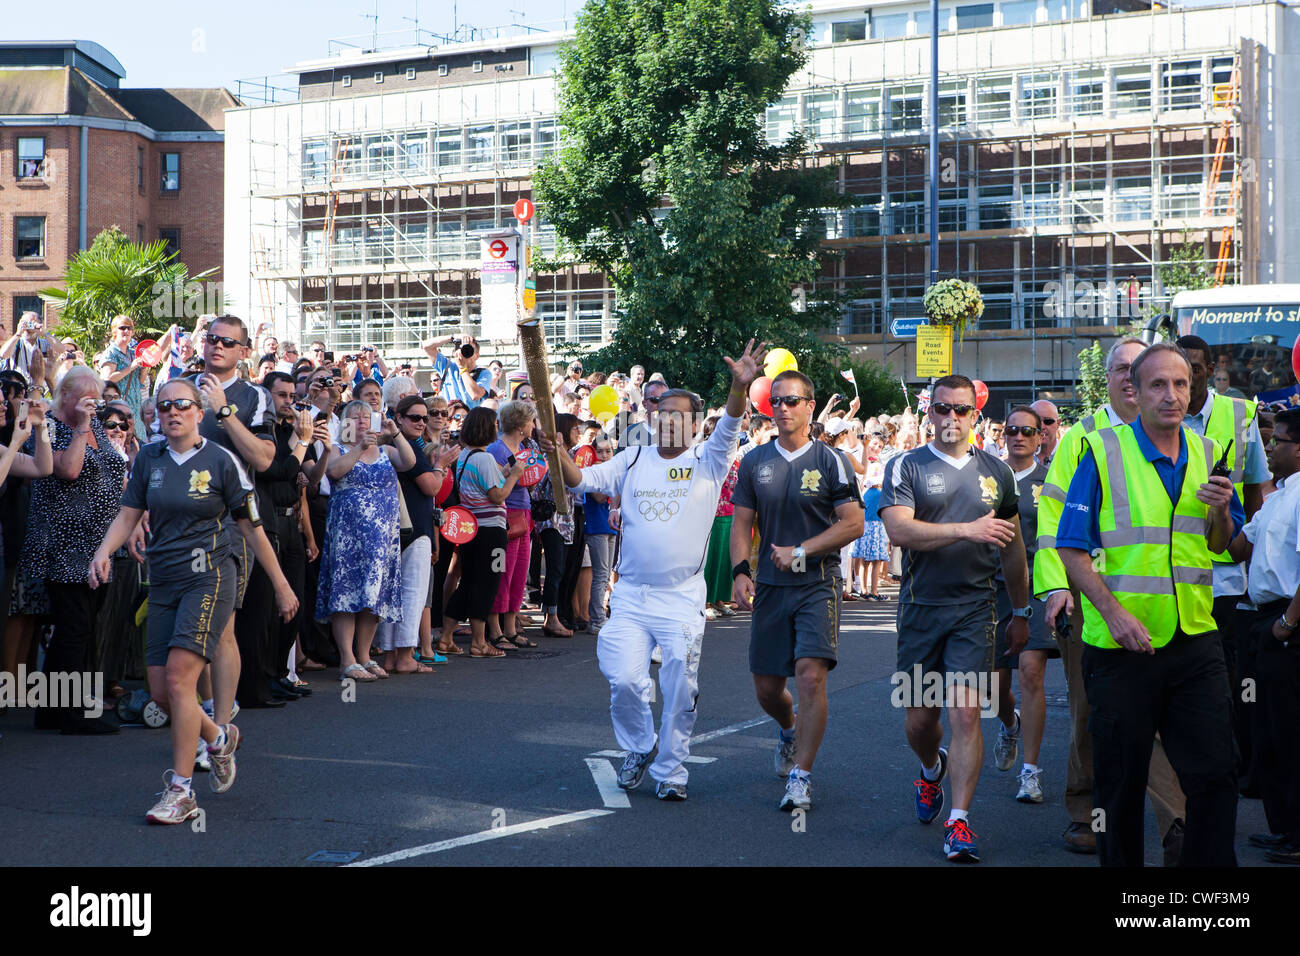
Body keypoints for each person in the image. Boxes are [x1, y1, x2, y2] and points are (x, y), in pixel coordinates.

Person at [547, 341, 764, 802]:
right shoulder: (632, 458)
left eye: (676, 413)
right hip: (631, 597)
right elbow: (580, 481)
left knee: (680, 686)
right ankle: (640, 746)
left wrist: (738, 386)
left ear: (692, 423)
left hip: (682, 598)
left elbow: (728, 423)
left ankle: (672, 771)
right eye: (660, 410)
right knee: (624, 678)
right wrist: (556, 451)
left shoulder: (708, 460)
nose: (666, 418)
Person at [1057, 342, 1242, 867]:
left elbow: (1218, 543)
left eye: (1181, 384)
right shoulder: (1101, 451)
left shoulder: (1207, 452)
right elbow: (1069, 548)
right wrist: (1114, 614)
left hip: (1194, 638)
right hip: (1122, 649)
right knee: (1119, 786)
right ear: (1133, 392)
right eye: (1158, 384)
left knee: (1214, 773)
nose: (1172, 395)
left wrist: (1224, 513)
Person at [89, 377, 298, 823]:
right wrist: (103, 552)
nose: (173, 412)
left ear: (199, 412)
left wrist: (281, 584)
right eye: (165, 406)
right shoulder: (149, 457)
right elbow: (129, 512)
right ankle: (219, 740)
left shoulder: (222, 460)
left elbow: (251, 527)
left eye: (182, 404)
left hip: (210, 578)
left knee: (182, 681)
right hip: (162, 580)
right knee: (164, 693)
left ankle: (181, 792)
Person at [1035, 336, 1188, 858]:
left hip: (1167, 609)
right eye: (1121, 369)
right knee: (1089, 715)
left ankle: (1176, 823)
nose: (1129, 378)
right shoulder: (1083, 438)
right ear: (1109, 380)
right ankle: (1084, 812)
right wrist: (1057, 586)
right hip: (1092, 606)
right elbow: (1053, 522)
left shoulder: (1179, 437)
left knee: (1161, 725)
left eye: (1136, 368)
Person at [878, 374, 1031, 863]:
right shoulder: (905, 465)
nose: (951, 419)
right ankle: (930, 770)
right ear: (930, 413)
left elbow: (1012, 548)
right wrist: (968, 529)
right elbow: (900, 531)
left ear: (975, 415)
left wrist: (1022, 609)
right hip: (921, 610)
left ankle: (959, 822)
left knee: (966, 712)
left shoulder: (998, 473)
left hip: (976, 610)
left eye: (960, 410)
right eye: (942, 409)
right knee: (921, 722)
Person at [731, 369, 865, 813]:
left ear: (811, 406)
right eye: (777, 401)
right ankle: (788, 730)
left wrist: (801, 551)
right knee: (768, 689)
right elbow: (743, 523)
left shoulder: (832, 461)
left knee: (809, 675)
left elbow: (853, 523)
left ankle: (801, 776)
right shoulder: (754, 461)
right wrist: (739, 571)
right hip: (770, 586)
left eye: (793, 401)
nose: (784, 408)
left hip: (817, 583)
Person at [1177, 333, 1268, 793]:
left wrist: (1255, 559)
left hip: (1225, 578)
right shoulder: (1157, 415)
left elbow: (1256, 495)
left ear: (1211, 369)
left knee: (1227, 683)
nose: (1188, 376)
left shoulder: (1239, 414)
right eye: (1181, 365)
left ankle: (1226, 768)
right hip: (1169, 581)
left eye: (1196, 366)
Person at [23, 366, 127, 734]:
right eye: (84, 398)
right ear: (64, 395)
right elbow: (67, 470)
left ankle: (52, 710)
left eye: (95, 399)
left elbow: (114, 470)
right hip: (64, 546)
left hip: (97, 544)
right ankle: (67, 713)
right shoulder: (49, 426)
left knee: (82, 627)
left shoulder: (95, 424)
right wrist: (83, 425)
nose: (92, 405)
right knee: (74, 628)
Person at [1229, 408, 1300, 862]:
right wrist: (1218, 507)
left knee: (1292, 732)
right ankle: (1285, 829)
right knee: (1270, 731)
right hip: (1264, 622)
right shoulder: (1277, 498)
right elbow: (1236, 546)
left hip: (1287, 624)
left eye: (1279, 441)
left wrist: (1287, 624)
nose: (1269, 448)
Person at [317, 399, 416, 680]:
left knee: (374, 595)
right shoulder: (339, 448)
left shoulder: (384, 449)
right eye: (356, 417)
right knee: (346, 594)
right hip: (349, 536)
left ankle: (364, 655)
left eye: (366, 416)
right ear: (345, 422)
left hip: (382, 537)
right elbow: (334, 472)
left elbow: (409, 462)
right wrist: (360, 447)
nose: (362, 421)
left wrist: (394, 432)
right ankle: (347, 658)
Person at [989, 406, 1058, 804]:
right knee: (994, 687)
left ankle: (1030, 772)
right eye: (1011, 430)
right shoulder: (986, 476)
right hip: (989, 586)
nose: (1019, 437)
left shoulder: (1049, 481)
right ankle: (1009, 724)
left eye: (1028, 431)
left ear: (1040, 437)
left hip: (1034, 583)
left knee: (1031, 671)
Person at [438, 406, 528, 658]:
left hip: (471, 530)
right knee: (488, 583)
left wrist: (505, 475)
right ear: (487, 428)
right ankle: (479, 642)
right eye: (495, 425)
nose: (498, 429)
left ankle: (446, 637)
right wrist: (514, 476)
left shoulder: (466, 456)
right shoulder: (484, 458)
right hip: (491, 532)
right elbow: (497, 495)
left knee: (468, 583)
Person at [376, 395, 443, 674]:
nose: (421, 422)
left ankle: (394, 656)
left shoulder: (403, 443)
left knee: (395, 593)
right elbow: (431, 487)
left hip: (404, 524)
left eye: (424, 418)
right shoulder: (402, 445)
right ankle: (404, 656)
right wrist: (440, 465)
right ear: (399, 417)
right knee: (410, 593)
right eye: (415, 417)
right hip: (410, 526)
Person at [486, 399, 538, 650]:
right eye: (530, 421)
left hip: (524, 512)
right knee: (502, 573)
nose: (533, 425)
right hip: (505, 514)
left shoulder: (525, 448)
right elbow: (492, 486)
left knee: (519, 574)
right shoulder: (496, 450)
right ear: (520, 425)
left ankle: (510, 627)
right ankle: (495, 630)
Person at [583, 434, 618, 634]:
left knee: (606, 575)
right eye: (600, 451)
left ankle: (599, 615)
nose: (604, 455)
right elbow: (598, 496)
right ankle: (596, 619)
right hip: (596, 526)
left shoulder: (612, 470)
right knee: (601, 574)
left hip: (611, 526)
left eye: (608, 451)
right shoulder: (592, 472)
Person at [97, 315, 150, 434]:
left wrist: (146, 366)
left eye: (129, 328)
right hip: (118, 413)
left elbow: (139, 382)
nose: (126, 331)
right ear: (114, 331)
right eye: (122, 328)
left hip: (135, 413)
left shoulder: (133, 353)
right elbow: (107, 379)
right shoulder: (111, 352)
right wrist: (131, 367)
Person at [421, 335, 492, 409]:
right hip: (448, 418)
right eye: (462, 349)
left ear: (477, 356)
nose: (464, 352)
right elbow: (426, 346)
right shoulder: (448, 367)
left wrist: (463, 368)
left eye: (468, 349)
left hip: (469, 418)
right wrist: (453, 337)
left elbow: (475, 395)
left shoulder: (484, 373)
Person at [1, 311, 54, 395]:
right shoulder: (16, 342)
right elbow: (3, 354)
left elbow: (61, 350)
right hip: (17, 391)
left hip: (40, 390)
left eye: (32, 322)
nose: (29, 326)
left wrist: (45, 334)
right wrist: (18, 334)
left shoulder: (44, 343)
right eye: (26, 322)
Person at [1029, 399, 1060, 468]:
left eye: (1048, 421)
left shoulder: (1070, 454)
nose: (1042, 427)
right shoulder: (1019, 457)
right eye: (1036, 421)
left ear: (1058, 423)